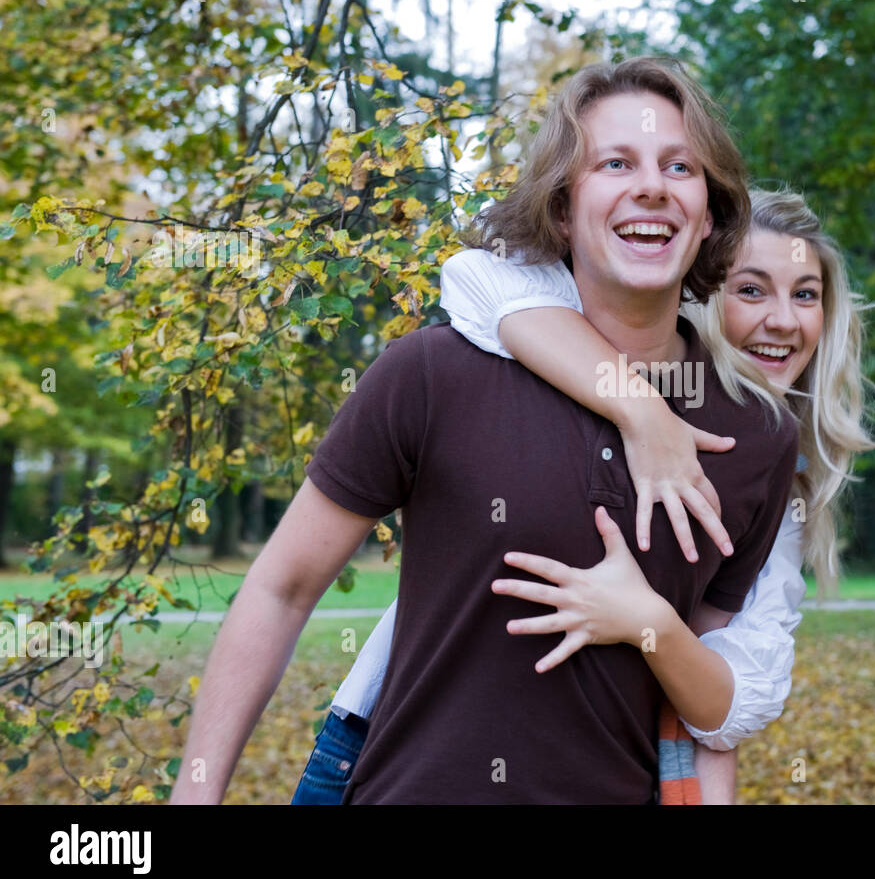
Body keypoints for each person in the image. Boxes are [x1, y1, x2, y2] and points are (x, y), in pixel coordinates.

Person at [170, 56, 801, 805]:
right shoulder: (434, 374)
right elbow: (280, 590)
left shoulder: (755, 436)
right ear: (563, 208)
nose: (652, 186)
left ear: (711, 215)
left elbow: (694, 713)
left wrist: (652, 625)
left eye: (680, 166)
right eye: (615, 162)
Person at [291, 187, 875, 804]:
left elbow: (726, 712)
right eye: (751, 289)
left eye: (806, 294)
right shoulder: (563, 365)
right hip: (389, 750)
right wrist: (645, 413)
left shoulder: (773, 470)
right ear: (700, 291)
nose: (784, 320)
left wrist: (647, 621)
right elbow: (476, 277)